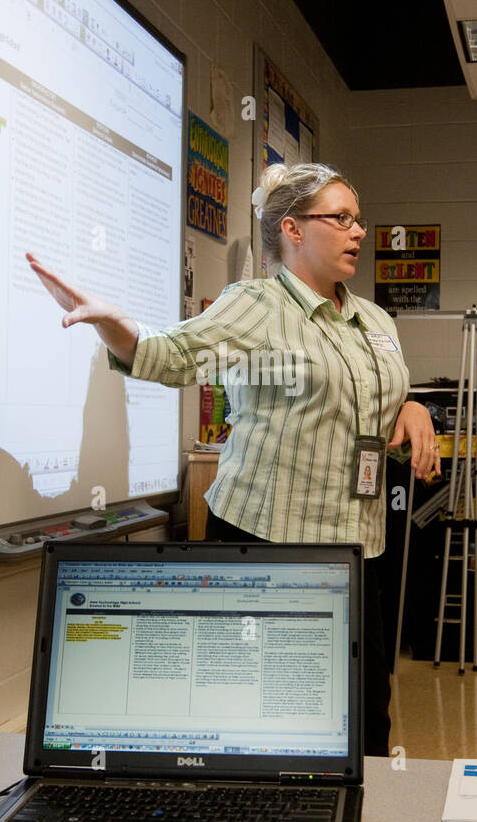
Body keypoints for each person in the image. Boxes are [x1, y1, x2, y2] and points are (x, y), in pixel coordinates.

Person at [26, 161, 440, 755]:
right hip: (269, 541)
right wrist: (118, 328)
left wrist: (412, 406)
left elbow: (380, 392)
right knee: (268, 722)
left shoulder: (374, 318)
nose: (358, 233)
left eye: (359, 220)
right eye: (342, 219)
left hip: (358, 545)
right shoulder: (257, 304)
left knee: (365, 717)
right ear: (293, 229)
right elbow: (174, 357)